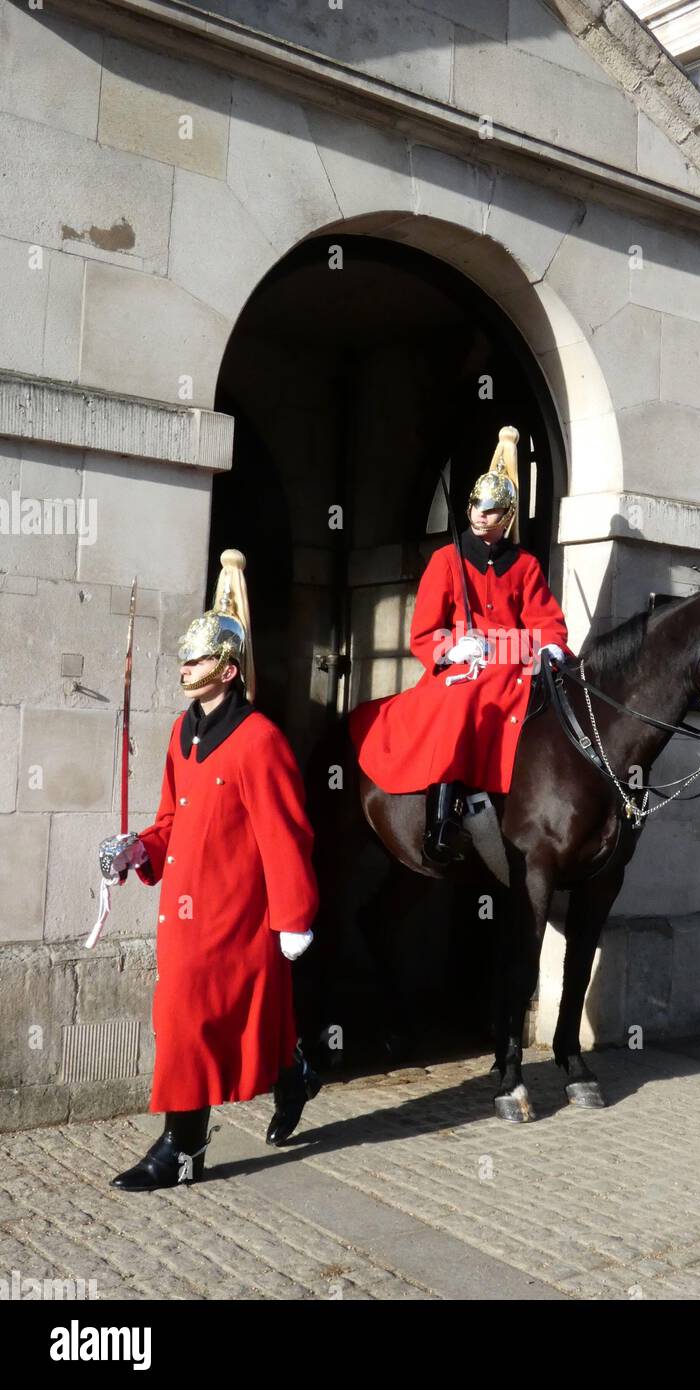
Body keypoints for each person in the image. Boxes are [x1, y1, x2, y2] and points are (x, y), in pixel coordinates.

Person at [97, 550, 320, 1190]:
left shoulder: (260, 739)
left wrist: (294, 917)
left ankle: (184, 1148)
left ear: (226, 667)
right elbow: (171, 819)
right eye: (182, 660)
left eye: (194, 660)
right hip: (187, 911)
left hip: (239, 915)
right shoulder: (179, 732)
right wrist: (138, 849)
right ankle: (293, 1071)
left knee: (187, 1019)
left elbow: (286, 836)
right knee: (223, 1021)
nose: (183, 669)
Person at [349, 427, 571, 864]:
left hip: (512, 661)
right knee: (462, 696)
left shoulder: (524, 565)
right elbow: (424, 630)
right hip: (464, 664)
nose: (478, 516)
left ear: (505, 518)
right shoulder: (445, 560)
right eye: (474, 507)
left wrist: (549, 647)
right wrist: (451, 650)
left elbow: (546, 621)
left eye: (488, 511)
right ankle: (442, 816)